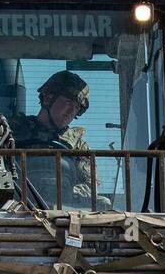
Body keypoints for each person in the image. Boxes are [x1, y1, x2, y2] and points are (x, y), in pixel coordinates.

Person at [8, 70, 99, 208]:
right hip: (14, 209)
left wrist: (65, 194)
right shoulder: (13, 131)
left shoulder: (78, 147)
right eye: (68, 102)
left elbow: (90, 186)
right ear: (48, 98)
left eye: (76, 107)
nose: (71, 111)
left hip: (62, 215)